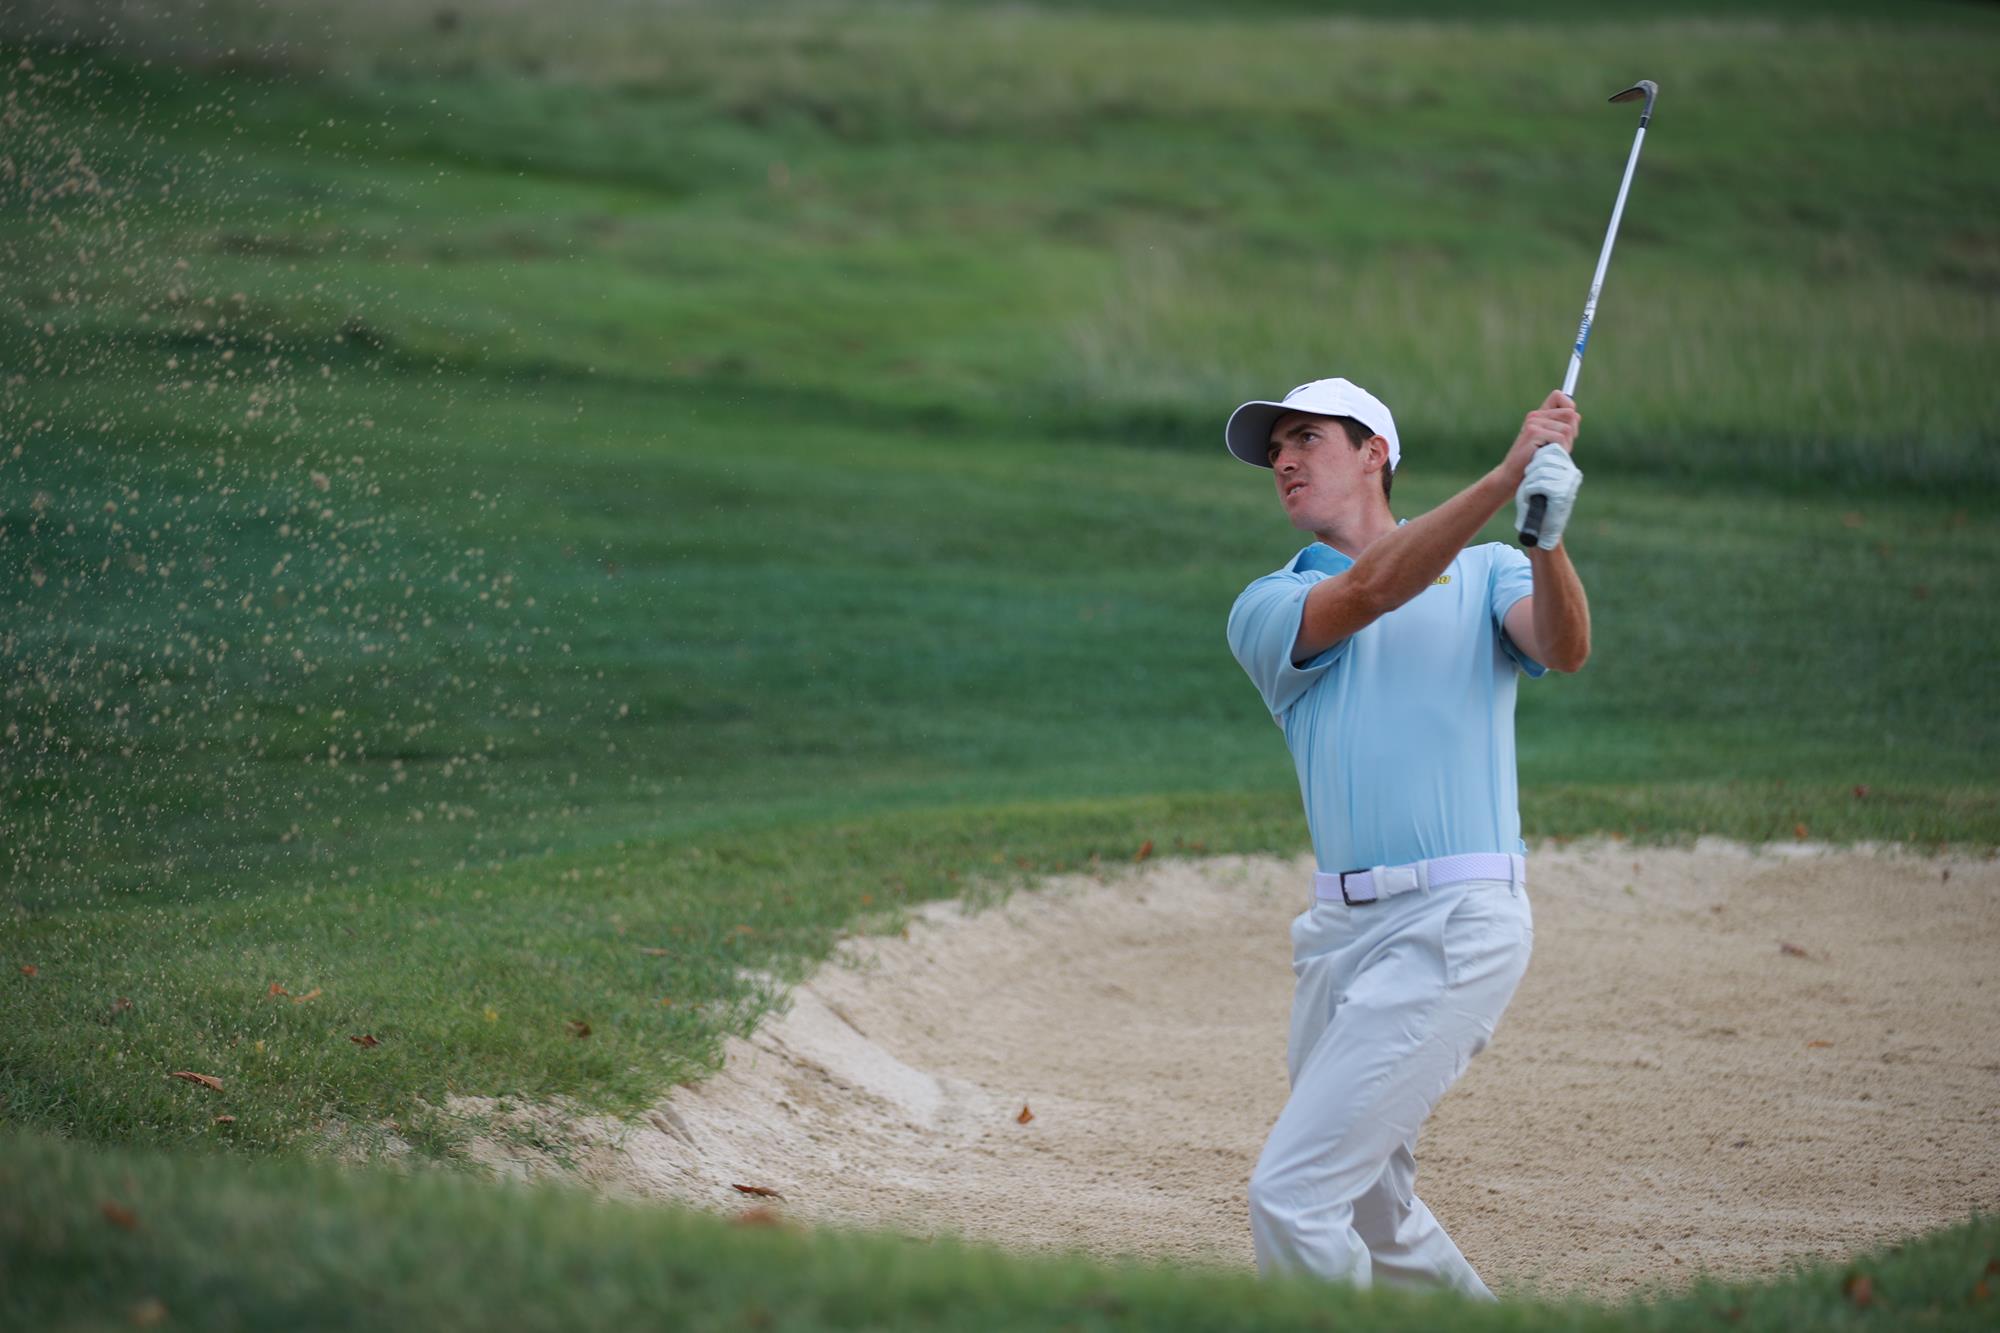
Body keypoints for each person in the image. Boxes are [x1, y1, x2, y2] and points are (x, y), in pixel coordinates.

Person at [1222, 377, 1590, 1299]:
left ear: (1374, 451)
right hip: (1338, 942)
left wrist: (1543, 539)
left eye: (1306, 439)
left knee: (1294, 1191)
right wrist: (1506, 478)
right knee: (1366, 1211)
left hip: (1457, 920)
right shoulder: (1269, 602)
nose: (1285, 462)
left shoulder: (1484, 572)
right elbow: (1377, 586)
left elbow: (1564, 644)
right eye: (1275, 452)